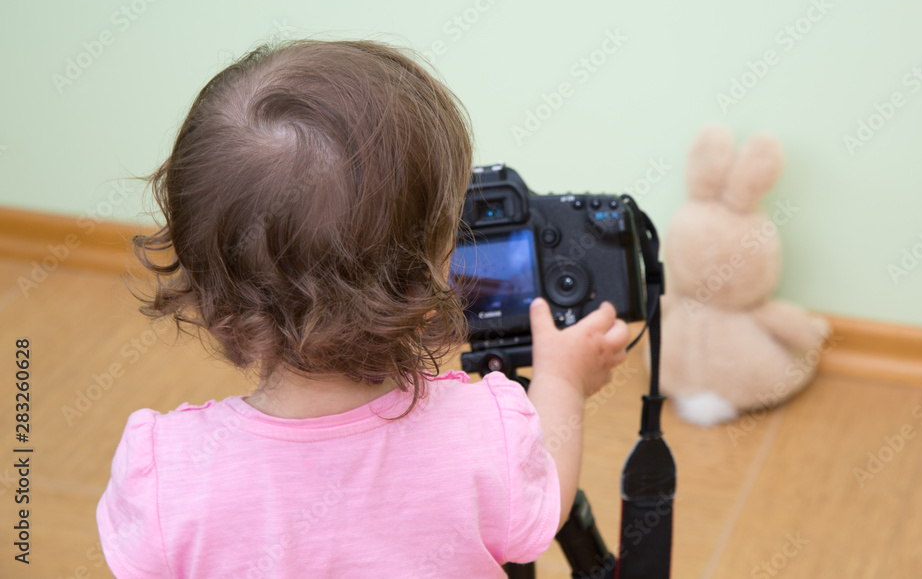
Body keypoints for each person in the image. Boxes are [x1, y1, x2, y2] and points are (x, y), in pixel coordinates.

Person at [96, 39, 630, 577]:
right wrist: (562, 380)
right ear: (425, 280)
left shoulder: (167, 472)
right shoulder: (485, 439)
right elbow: (544, 504)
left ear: (202, 275)